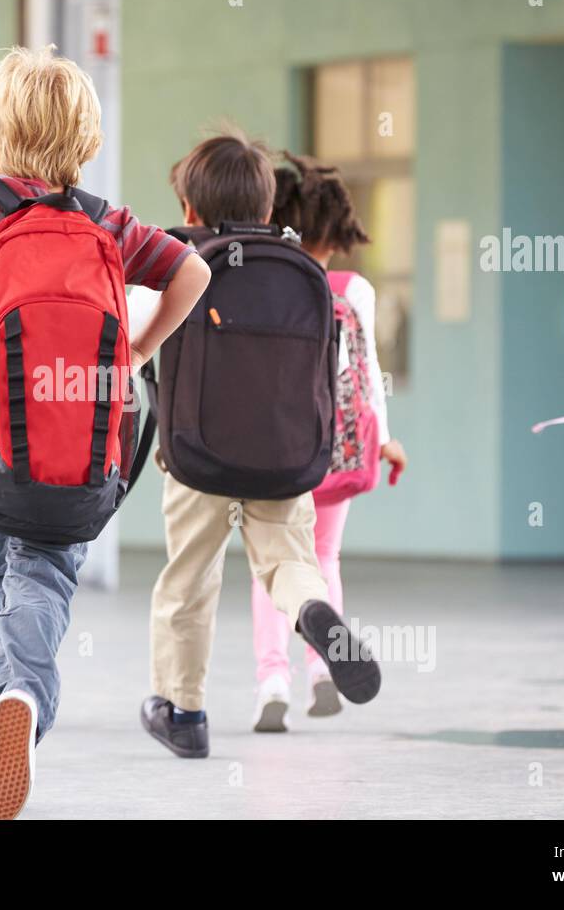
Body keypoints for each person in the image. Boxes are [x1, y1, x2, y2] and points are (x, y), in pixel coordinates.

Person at [0, 46, 210, 815]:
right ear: (85, 142)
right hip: (80, 446)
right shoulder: (107, 224)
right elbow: (194, 272)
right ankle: (21, 692)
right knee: (46, 574)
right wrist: (138, 351)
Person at [141, 133, 381, 762]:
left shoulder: (182, 261)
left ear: (190, 209)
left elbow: (139, 341)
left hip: (198, 457)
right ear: (269, 205)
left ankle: (183, 711)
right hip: (284, 456)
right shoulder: (300, 268)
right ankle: (311, 609)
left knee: (188, 582)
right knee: (288, 563)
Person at [249, 154, 408, 730]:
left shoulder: (268, 279)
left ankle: (272, 680)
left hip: (274, 447)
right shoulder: (355, 288)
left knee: (270, 566)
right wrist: (385, 440)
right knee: (322, 558)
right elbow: (367, 373)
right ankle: (324, 669)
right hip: (336, 448)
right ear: (339, 230)